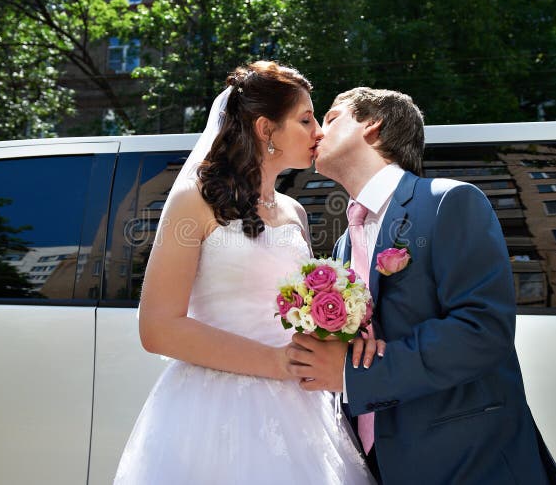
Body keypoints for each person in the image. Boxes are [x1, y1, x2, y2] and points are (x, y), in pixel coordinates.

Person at [114, 62, 378, 484]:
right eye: (305, 119)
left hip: (299, 406)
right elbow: (158, 328)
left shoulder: (294, 212)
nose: (318, 132)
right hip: (212, 408)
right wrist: (275, 362)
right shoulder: (193, 202)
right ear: (264, 128)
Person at [286, 87, 556, 484]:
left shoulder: (447, 201)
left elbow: (482, 331)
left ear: (372, 125)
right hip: (382, 464)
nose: (315, 132)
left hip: (467, 460)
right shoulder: (343, 244)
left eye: (330, 119)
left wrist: (353, 374)